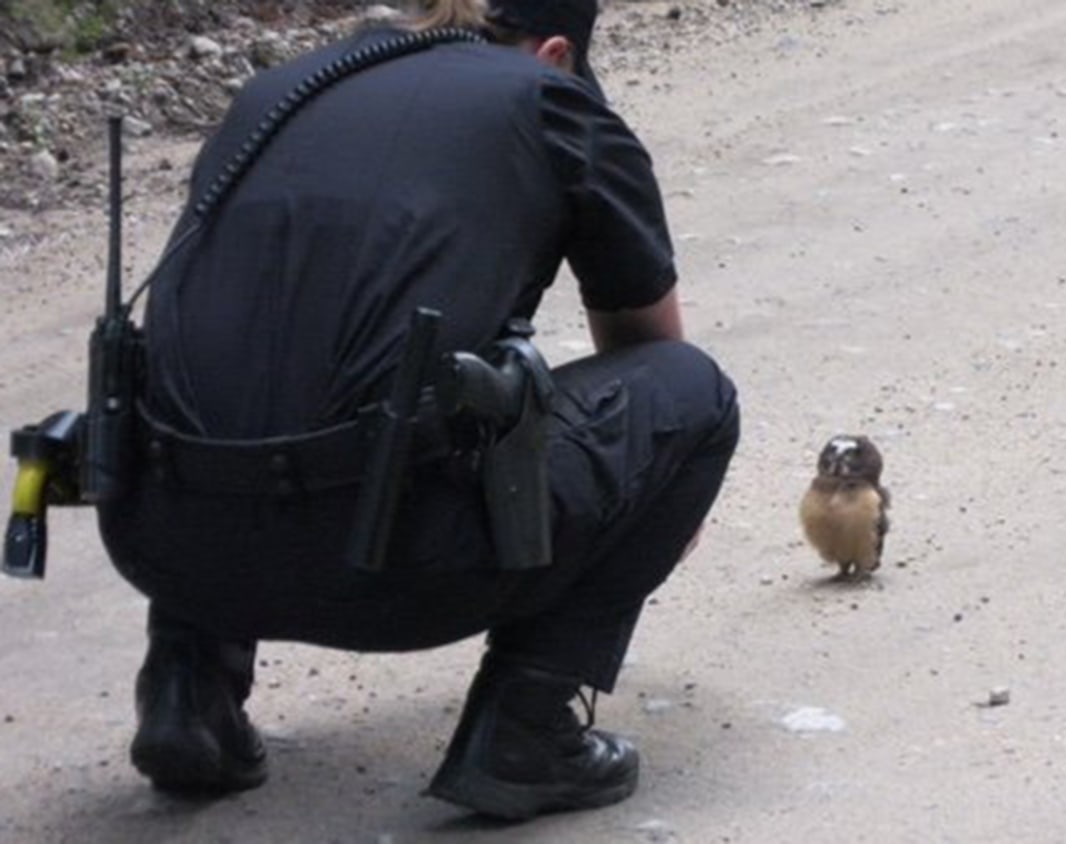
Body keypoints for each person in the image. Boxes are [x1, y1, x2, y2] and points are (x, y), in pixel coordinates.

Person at [95, 0, 739, 822]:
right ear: (554, 53)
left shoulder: (278, 91)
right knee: (693, 397)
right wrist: (653, 501)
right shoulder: (548, 99)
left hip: (164, 540)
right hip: (389, 565)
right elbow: (646, 347)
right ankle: (526, 733)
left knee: (253, 360)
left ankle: (190, 696)